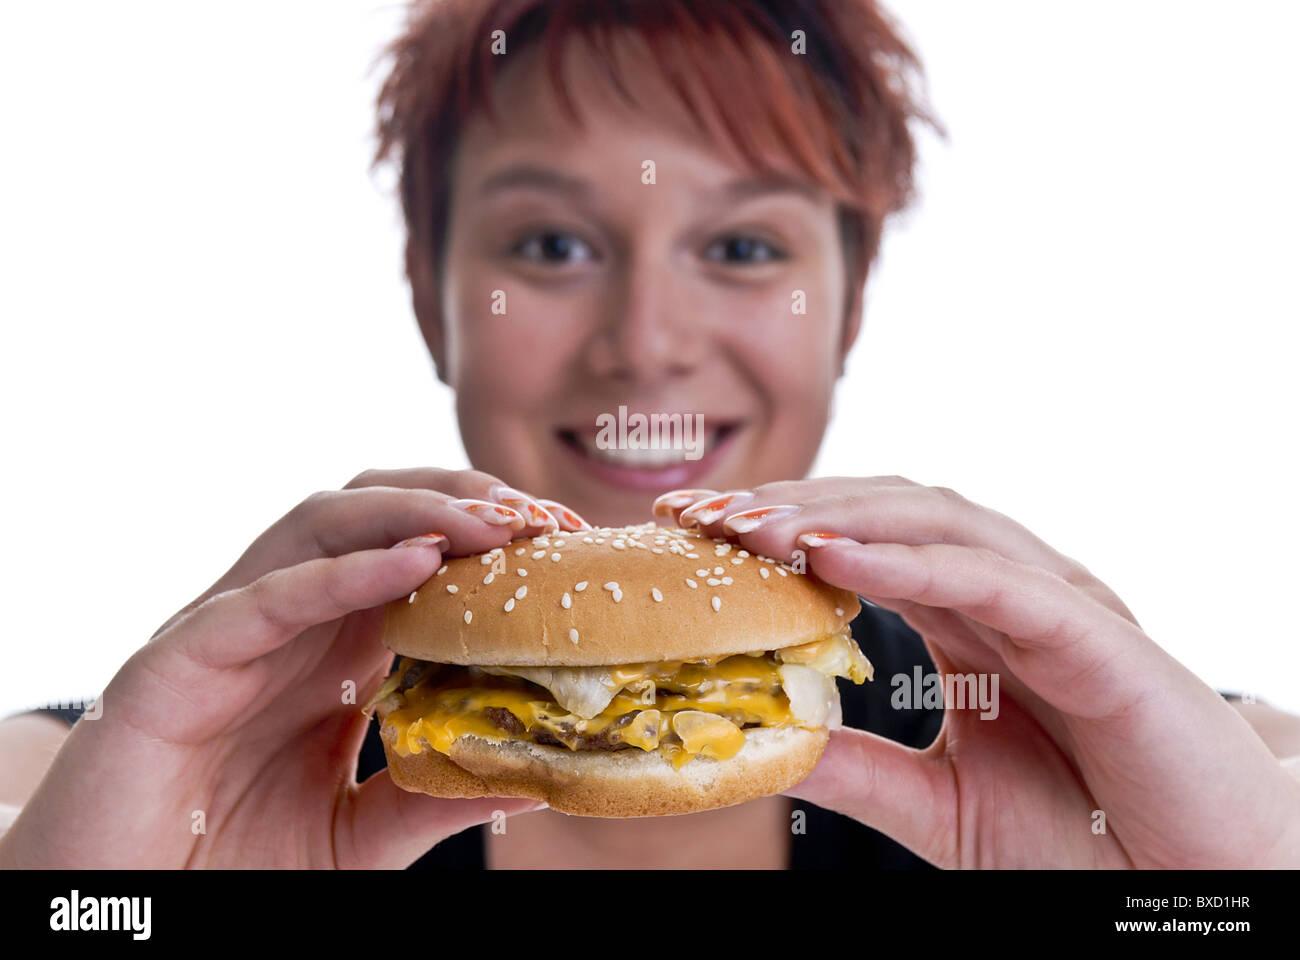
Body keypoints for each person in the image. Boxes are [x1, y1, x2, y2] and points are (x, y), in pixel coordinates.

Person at [2, 0, 1299, 869]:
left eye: (742, 247)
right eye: (553, 246)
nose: (647, 342)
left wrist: (1200, 900)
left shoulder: (1171, 760)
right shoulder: (108, 780)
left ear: (848, 304)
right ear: (426, 291)